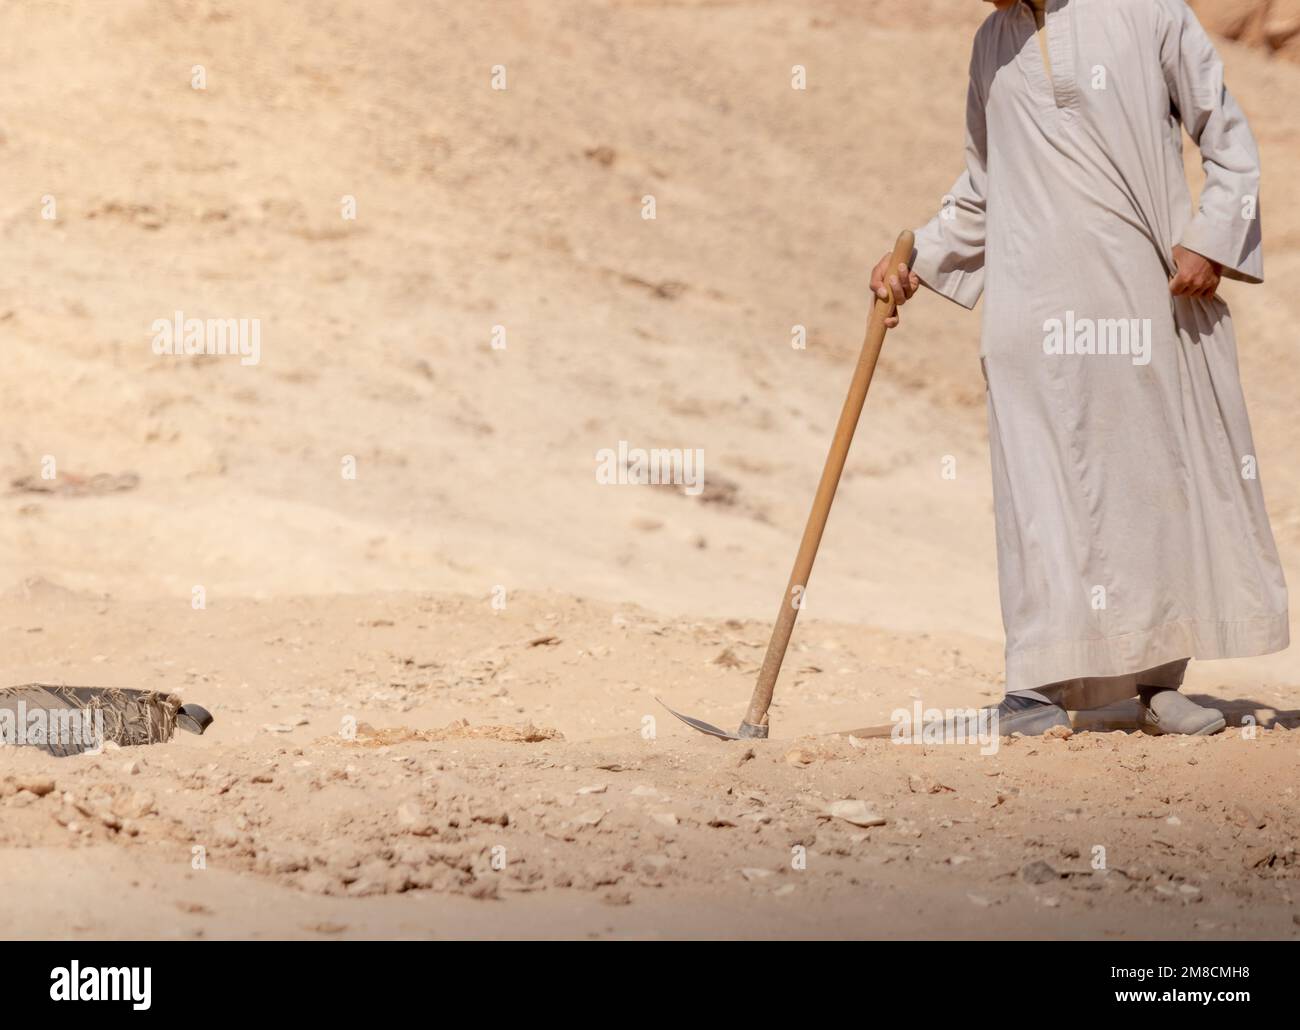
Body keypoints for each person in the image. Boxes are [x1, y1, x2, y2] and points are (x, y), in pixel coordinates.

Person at [872, 0, 1288, 735]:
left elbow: (1225, 133)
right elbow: (983, 184)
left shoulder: (1147, 12)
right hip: (1026, 311)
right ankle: (1034, 690)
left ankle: (1158, 683)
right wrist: (918, 259)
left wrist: (1212, 239)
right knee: (1037, 493)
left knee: (1147, 487)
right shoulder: (992, 42)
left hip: (1136, 298)